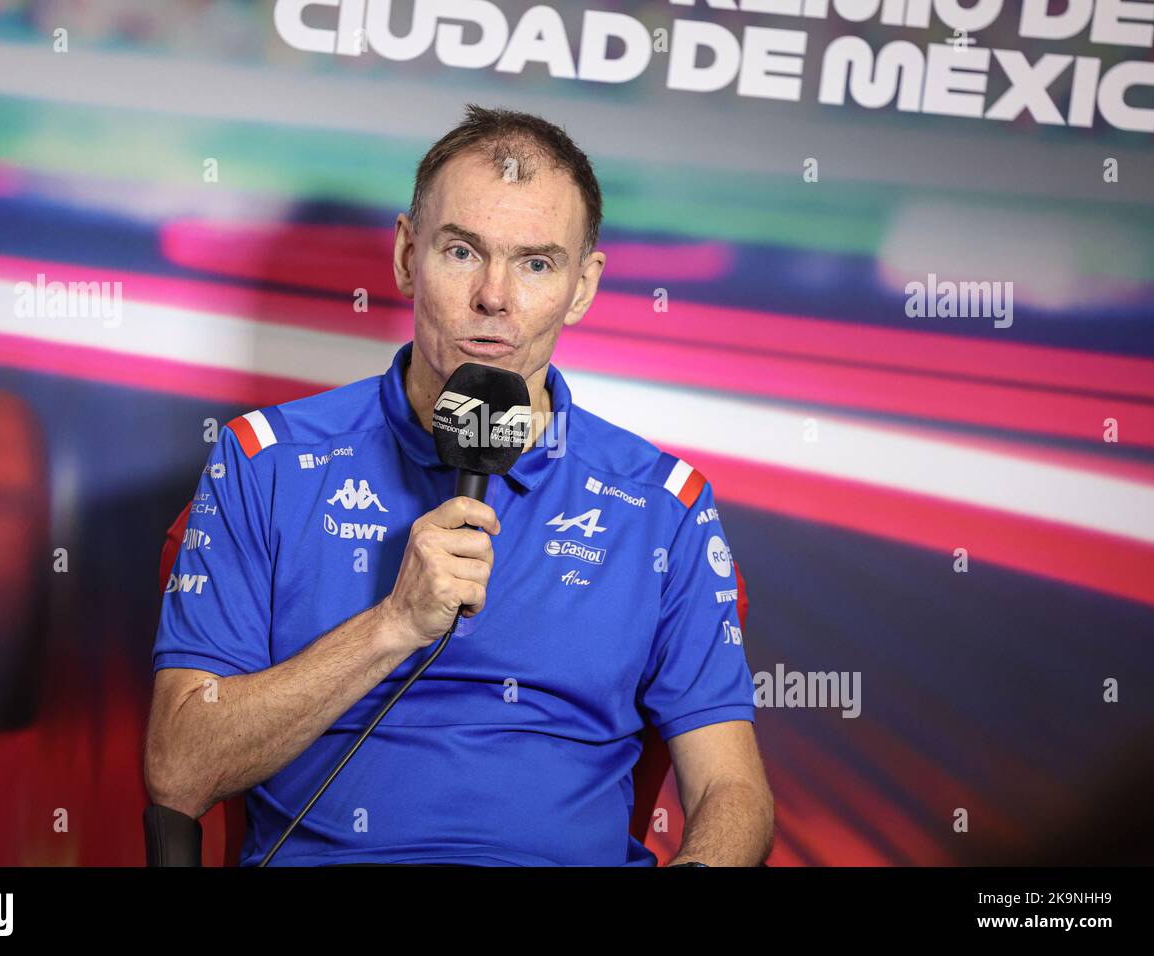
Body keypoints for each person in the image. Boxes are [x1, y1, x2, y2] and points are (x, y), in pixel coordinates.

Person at [145, 104, 773, 866]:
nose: (495, 298)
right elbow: (178, 770)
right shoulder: (263, 461)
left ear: (582, 286)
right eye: (463, 252)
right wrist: (394, 624)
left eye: (536, 263)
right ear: (409, 256)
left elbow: (729, 792)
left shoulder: (661, 506)